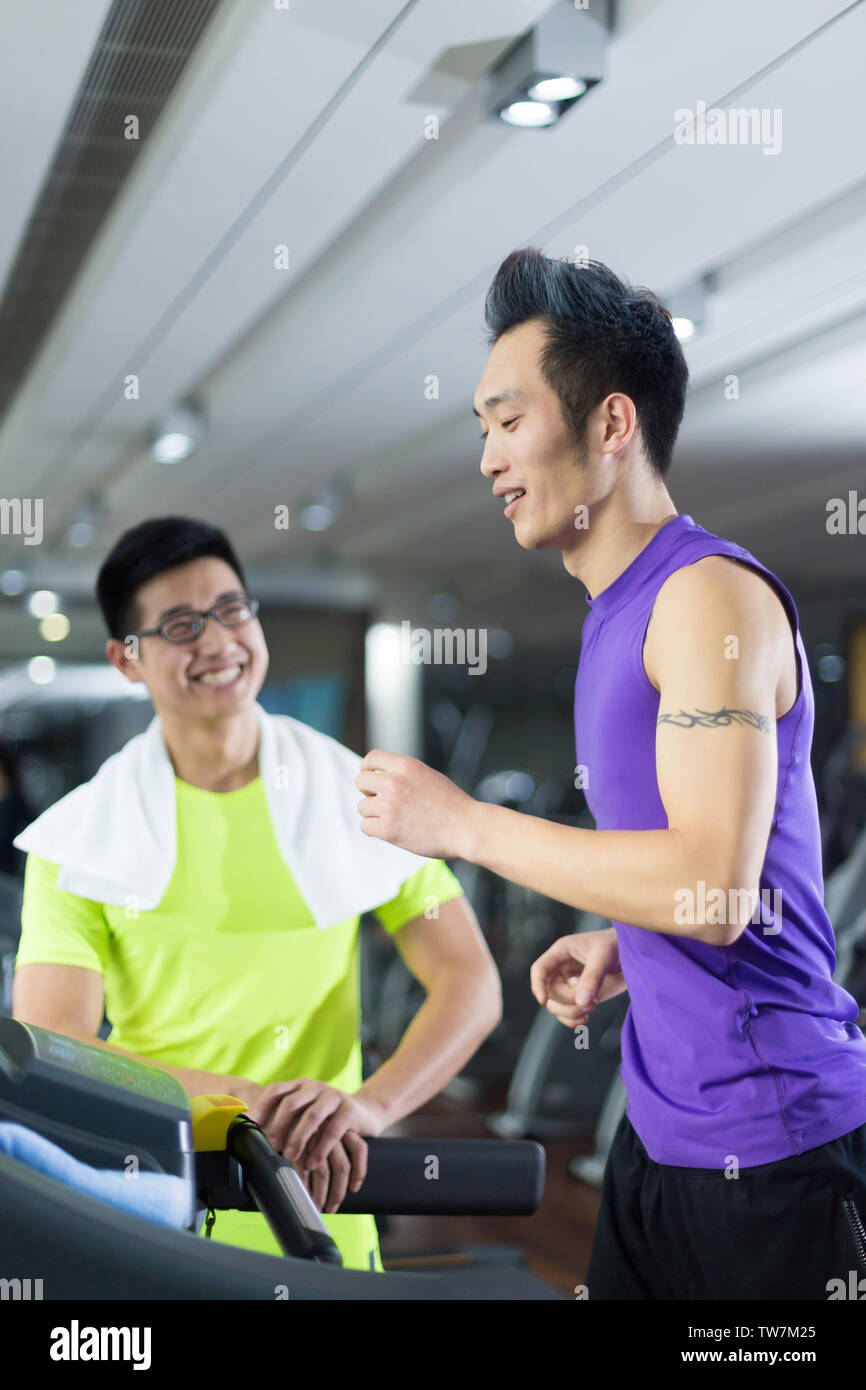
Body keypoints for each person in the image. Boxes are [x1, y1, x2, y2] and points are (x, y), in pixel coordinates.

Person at [353, 246, 866, 1300]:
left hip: (767, 1150)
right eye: (481, 429)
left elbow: (715, 893)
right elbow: (720, 874)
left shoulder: (703, 599)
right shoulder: (613, 616)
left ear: (611, 424)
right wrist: (632, 942)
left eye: (508, 420)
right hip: (658, 1132)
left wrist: (460, 826)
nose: (489, 457)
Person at [12, 516, 502, 1272]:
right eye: (180, 624)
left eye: (233, 609)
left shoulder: (362, 796)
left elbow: (469, 978)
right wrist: (249, 1103)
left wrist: (371, 1106)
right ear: (127, 660)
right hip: (159, 1199)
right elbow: (59, 1047)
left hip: (326, 1199)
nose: (217, 641)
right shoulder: (77, 839)